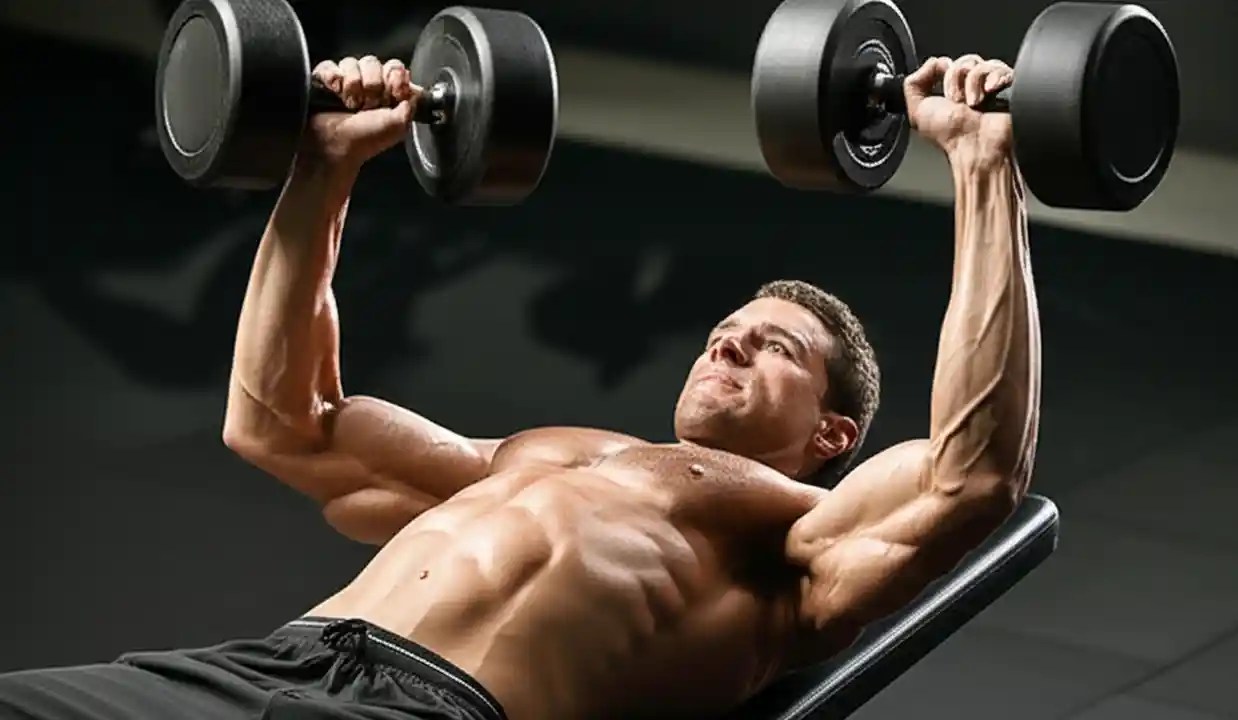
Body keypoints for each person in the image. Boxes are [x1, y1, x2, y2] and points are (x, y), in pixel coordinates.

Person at [0, 52, 1040, 720]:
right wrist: (322, 170)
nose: (724, 345)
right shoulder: (538, 454)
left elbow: (972, 475)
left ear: (832, 432)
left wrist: (982, 167)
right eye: (723, 330)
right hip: (262, 669)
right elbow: (281, 426)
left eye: (769, 347)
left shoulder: (794, 539)